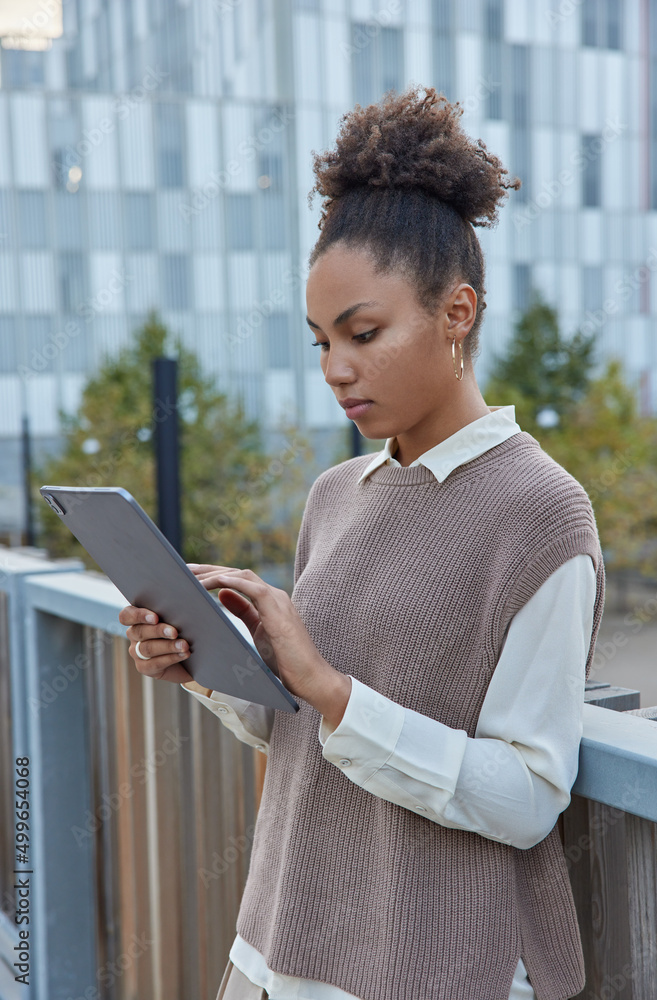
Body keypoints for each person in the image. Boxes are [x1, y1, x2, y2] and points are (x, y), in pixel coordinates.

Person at [119, 86, 605, 1000]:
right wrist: (209, 664)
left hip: (426, 970)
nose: (336, 369)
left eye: (364, 333)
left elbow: (528, 797)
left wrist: (333, 691)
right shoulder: (335, 495)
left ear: (456, 313)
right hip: (273, 946)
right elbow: (300, 732)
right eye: (318, 341)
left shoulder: (540, 512)